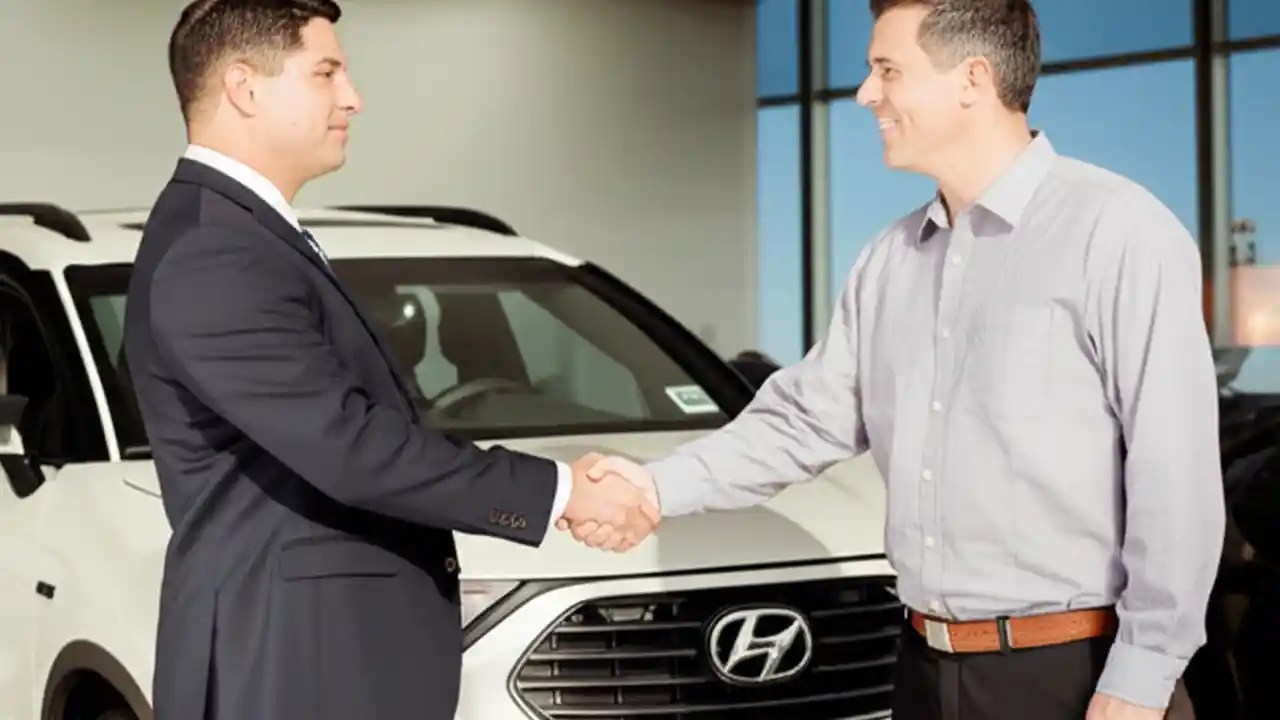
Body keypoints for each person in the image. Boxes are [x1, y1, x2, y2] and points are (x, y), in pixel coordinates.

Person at [568, 1, 1225, 718]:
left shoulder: (1119, 234)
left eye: (888, 70)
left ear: (971, 79)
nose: (866, 94)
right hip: (919, 669)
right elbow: (800, 423)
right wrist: (654, 488)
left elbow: (1175, 476)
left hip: (1078, 678)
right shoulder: (890, 260)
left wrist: (1141, 678)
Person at [123, 2, 656, 719]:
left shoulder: (241, 234)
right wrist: (560, 492)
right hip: (293, 668)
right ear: (245, 88)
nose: (354, 97)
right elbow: (351, 448)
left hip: (318, 660)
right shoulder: (214, 250)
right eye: (326, 72)